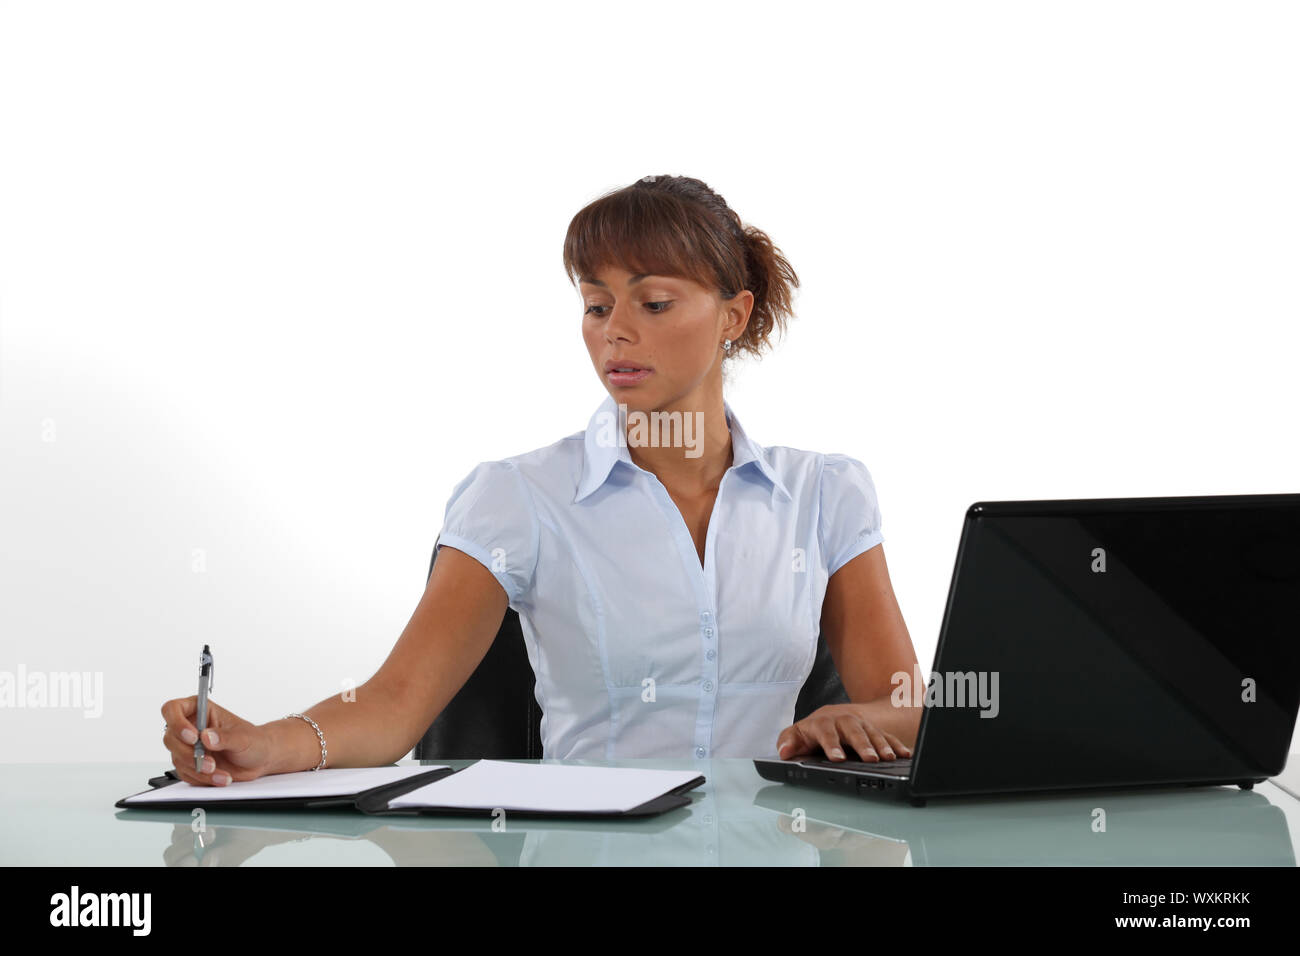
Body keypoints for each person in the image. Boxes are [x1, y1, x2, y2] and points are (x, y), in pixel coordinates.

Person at [161, 174, 923, 785]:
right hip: (589, 851)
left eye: (652, 303)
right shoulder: (519, 499)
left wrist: (858, 723)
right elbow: (396, 705)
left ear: (734, 315)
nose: (614, 330)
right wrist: (267, 744)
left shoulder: (824, 494)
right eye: (596, 305)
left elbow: (907, 709)